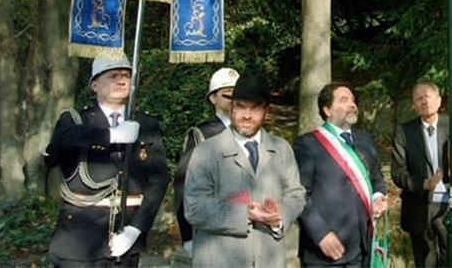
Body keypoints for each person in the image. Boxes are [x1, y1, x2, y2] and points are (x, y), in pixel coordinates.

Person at [44, 55, 170, 267]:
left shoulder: (145, 124)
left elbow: (159, 179)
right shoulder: (76, 121)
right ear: (94, 85)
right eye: (113, 76)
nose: (121, 81)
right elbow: (57, 146)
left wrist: (136, 229)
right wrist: (110, 136)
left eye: (126, 76)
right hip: (80, 238)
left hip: (125, 236)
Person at [183, 73, 306, 267]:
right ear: (231, 108)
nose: (247, 115)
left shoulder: (281, 148)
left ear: (267, 111)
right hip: (220, 260)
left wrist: (278, 217)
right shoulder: (207, 151)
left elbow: (296, 194)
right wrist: (245, 214)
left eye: (255, 108)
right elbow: (194, 208)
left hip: (269, 259)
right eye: (240, 107)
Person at [293, 84, 388, 267]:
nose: (352, 104)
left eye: (353, 100)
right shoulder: (307, 144)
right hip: (325, 251)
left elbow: (376, 178)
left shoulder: (365, 140)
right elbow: (299, 195)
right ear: (327, 109)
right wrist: (320, 233)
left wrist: (377, 198)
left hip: (363, 247)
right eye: (344, 100)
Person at [391, 82, 452, 268]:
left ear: (439, 101)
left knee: (451, 260)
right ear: (414, 105)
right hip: (419, 207)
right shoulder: (404, 132)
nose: (424, 102)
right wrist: (423, 184)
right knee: (425, 262)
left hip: (449, 206)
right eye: (419, 99)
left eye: (428, 96)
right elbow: (397, 173)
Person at [173, 67, 240, 256]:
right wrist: (188, 236)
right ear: (213, 98)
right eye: (227, 95)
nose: (234, 100)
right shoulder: (202, 134)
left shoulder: (252, 133)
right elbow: (183, 185)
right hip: (213, 229)